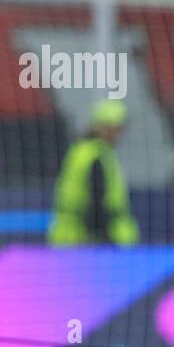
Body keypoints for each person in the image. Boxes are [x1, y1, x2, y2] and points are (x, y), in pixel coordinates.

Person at [49, 99, 139, 246]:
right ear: (101, 127)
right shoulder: (96, 156)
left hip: (69, 236)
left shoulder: (80, 150)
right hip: (84, 240)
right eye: (114, 129)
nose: (118, 135)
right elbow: (97, 202)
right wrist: (104, 238)